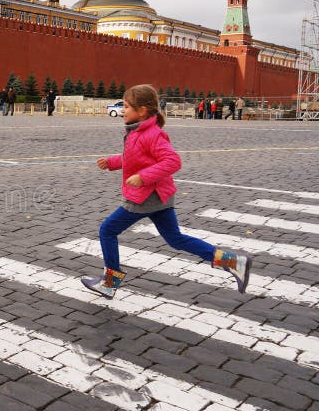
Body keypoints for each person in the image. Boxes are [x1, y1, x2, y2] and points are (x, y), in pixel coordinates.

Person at [81, 84, 251, 300]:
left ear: (142, 110)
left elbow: (172, 161)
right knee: (175, 239)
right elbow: (135, 159)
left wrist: (143, 177)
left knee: (107, 230)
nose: (123, 110)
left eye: (126, 106)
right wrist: (113, 162)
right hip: (160, 197)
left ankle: (109, 283)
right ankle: (234, 262)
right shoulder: (138, 131)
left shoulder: (151, 134)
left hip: (145, 197)